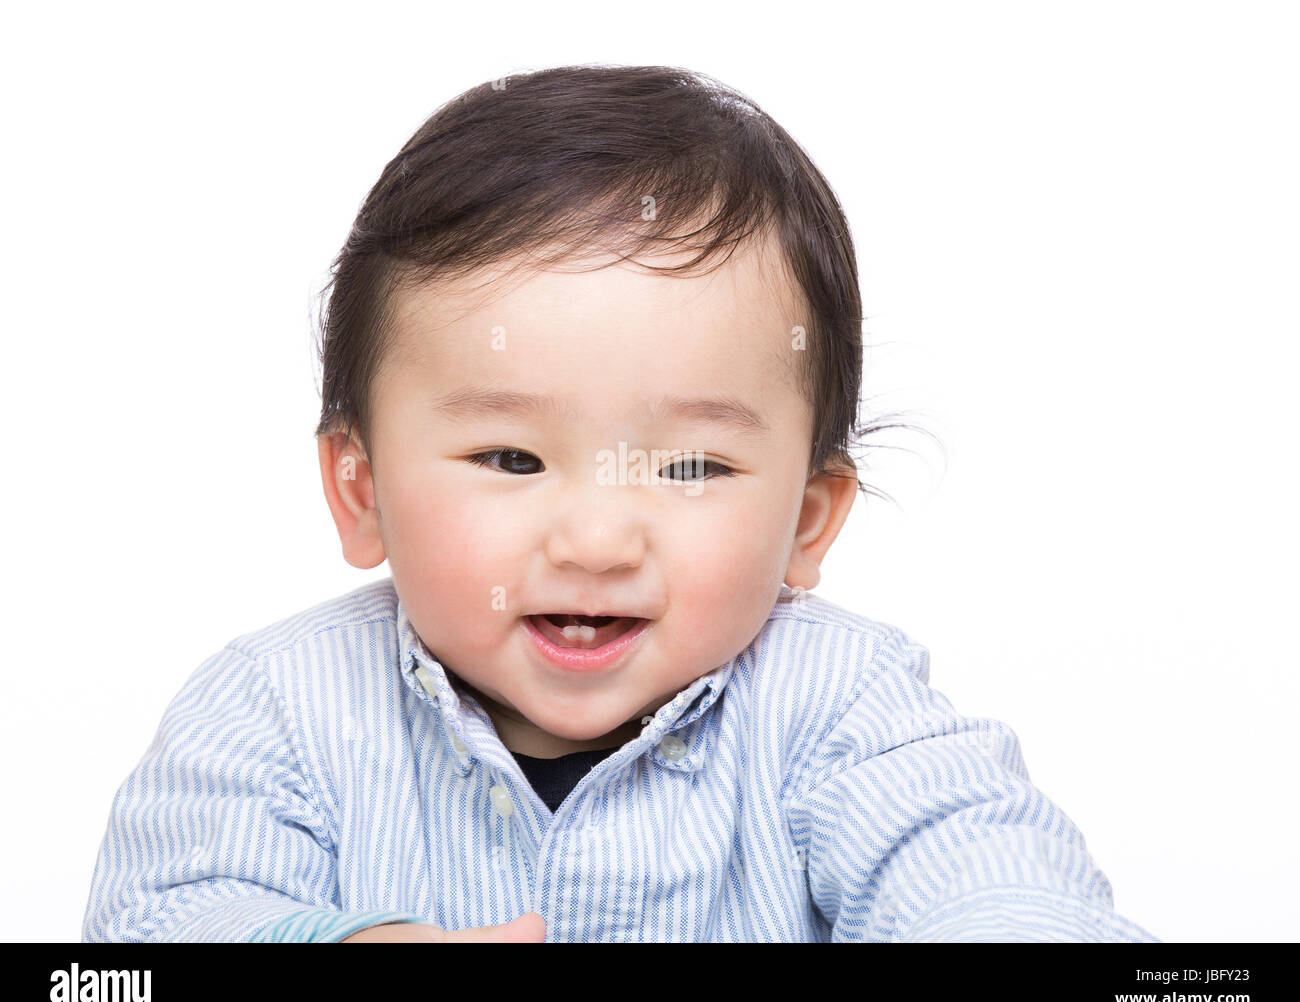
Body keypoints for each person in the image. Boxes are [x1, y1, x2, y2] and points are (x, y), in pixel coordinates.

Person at [82, 64, 1156, 943]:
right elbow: (147, 936)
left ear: (810, 520)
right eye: (509, 457)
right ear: (359, 490)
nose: (597, 538)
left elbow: (1000, 885)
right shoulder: (279, 711)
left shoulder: (842, 711)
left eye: (689, 468)